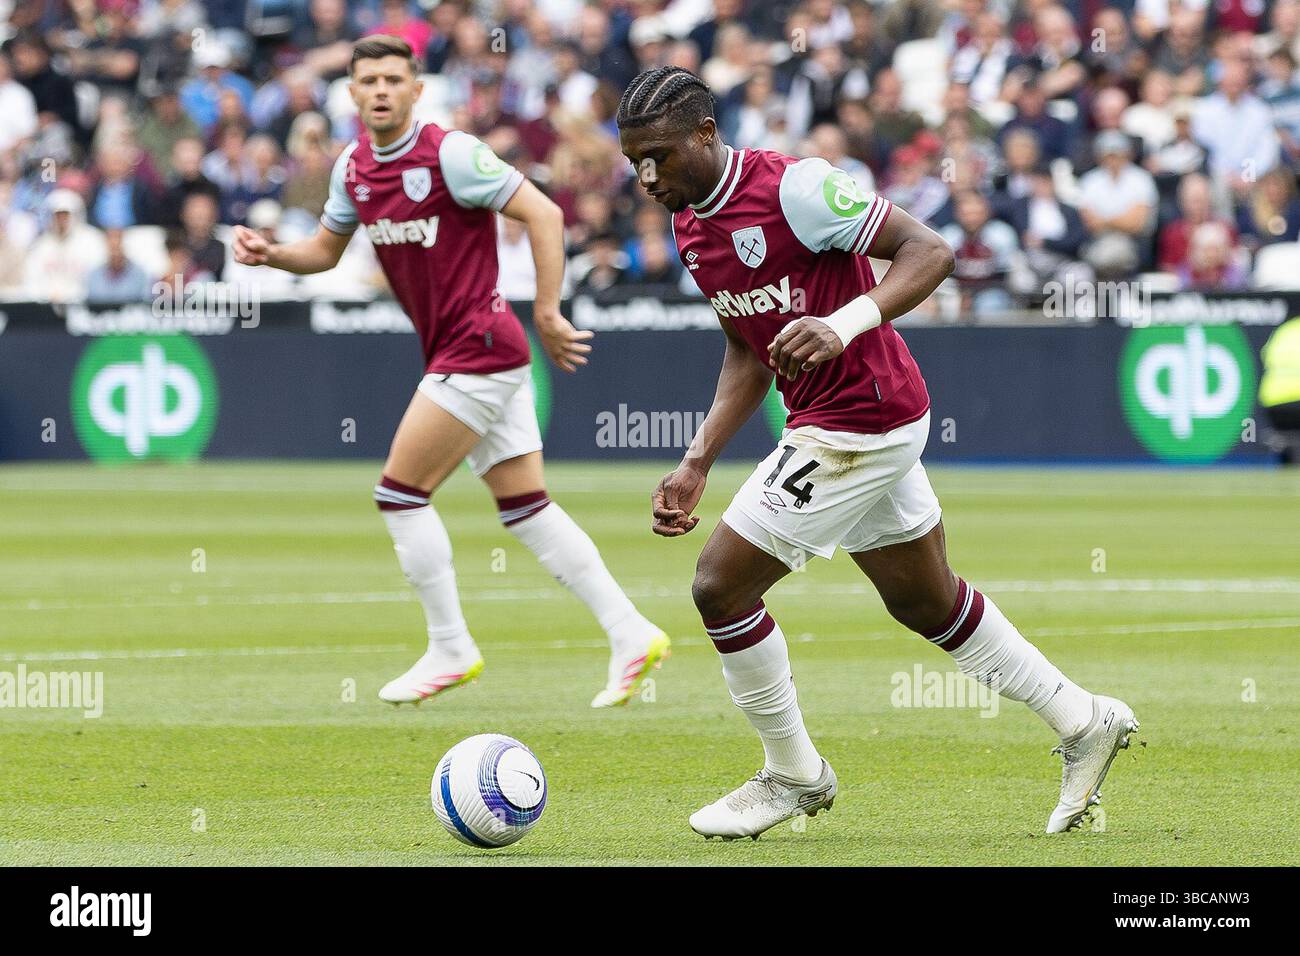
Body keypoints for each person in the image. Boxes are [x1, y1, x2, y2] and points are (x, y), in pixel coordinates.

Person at [616, 66, 1139, 840]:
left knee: (720, 588)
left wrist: (844, 321)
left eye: (659, 154)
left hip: (860, 421)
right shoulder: (689, 223)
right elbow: (747, 349)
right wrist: (697, 460)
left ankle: (794, 774)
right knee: (927, 602)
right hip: (844, 419)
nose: (648, 176)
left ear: (705, 133)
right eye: (635, 162)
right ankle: (1084, 718)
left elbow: (929, 251)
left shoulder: (796, 189)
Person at [233, 36, 668, 709]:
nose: (380, 89)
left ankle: (451, 646)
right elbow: (323, 250)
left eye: (392, 78)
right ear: (351, 93)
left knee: (400, 495)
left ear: (415, 89)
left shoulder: (451, 155)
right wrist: (271, 255)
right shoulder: (353, 169)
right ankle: (630, 631)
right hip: (463, 352)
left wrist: (549, 310)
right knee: (527, 509)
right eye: (367, 80)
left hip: (480, 347)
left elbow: (545, 212)